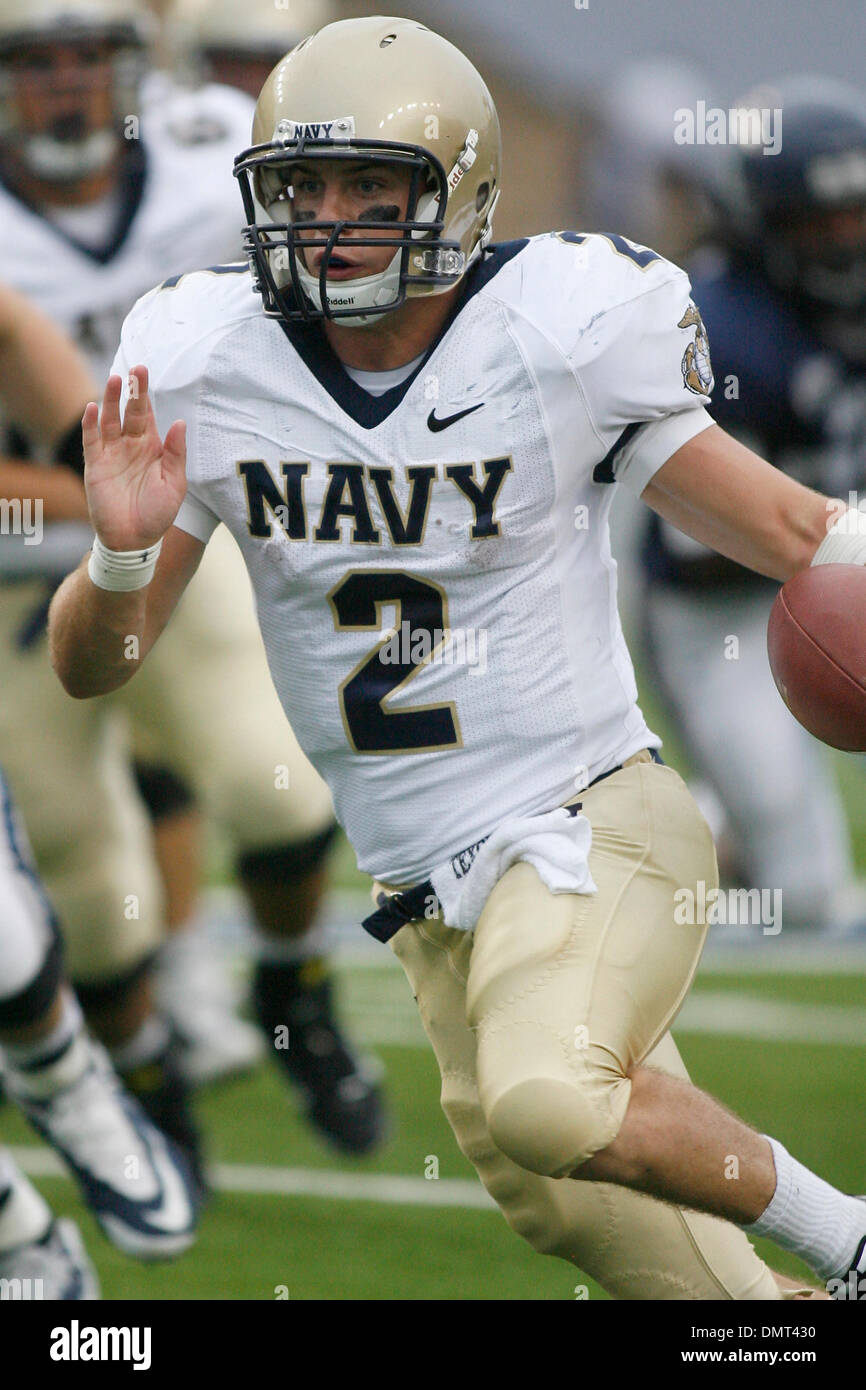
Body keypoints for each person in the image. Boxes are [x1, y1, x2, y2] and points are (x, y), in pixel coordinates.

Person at [48, 16, 864, 1299]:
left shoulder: (559, 326)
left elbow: (788, 527)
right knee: (685, 1290)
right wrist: (117, 555)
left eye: (373, 185)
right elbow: (94, 669)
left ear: (461, 190)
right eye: (302, 188)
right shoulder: (209, 357)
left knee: (550, 1097)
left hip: (591, 823)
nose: (330, 221)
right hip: (430, 902)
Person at [0, 0, 387, 1154]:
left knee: (279, 788)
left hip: (181, 542)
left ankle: (292, 990)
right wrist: (108, 496)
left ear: (139, 66)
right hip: (19, 579)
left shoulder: (212, 151)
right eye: (38, 63)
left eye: (90, 59)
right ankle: (142, 1079)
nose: (67, 88)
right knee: (83, 870)